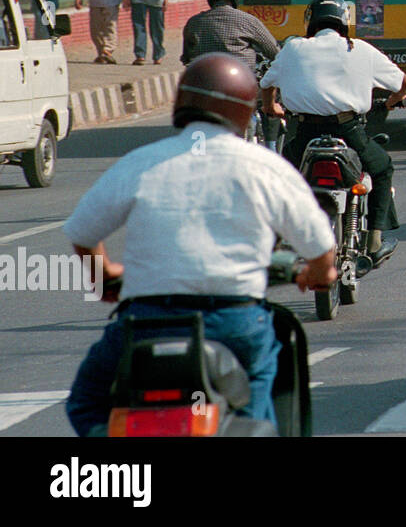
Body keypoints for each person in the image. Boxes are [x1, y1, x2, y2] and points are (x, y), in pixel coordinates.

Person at [63, 54, 337, 436]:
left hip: (146, 322)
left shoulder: (141, 162)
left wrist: (105, 278)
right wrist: (317, 275)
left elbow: (82, 234)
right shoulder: (264, 165)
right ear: (244, 109)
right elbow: (321, 246)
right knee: (260, 397)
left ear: (181, 102)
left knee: (86, 402)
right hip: (235, 322)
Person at [260, 0, 406, 268]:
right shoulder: (360, 49)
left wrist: (272, 108)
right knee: (382, 168)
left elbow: (267, 84)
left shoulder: (294, 48)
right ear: (344, 21)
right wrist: (391, 102)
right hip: (349, 131)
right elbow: (404, 82)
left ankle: (278, 240)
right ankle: (375, 240)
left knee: (282, 178)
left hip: (305, 132)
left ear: (311, 21)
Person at [182, 0, 280, 71]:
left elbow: (186, 58)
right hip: (241, 82)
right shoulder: (248, 20)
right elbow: (274, 51)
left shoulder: (193, 23)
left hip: (204, 81)